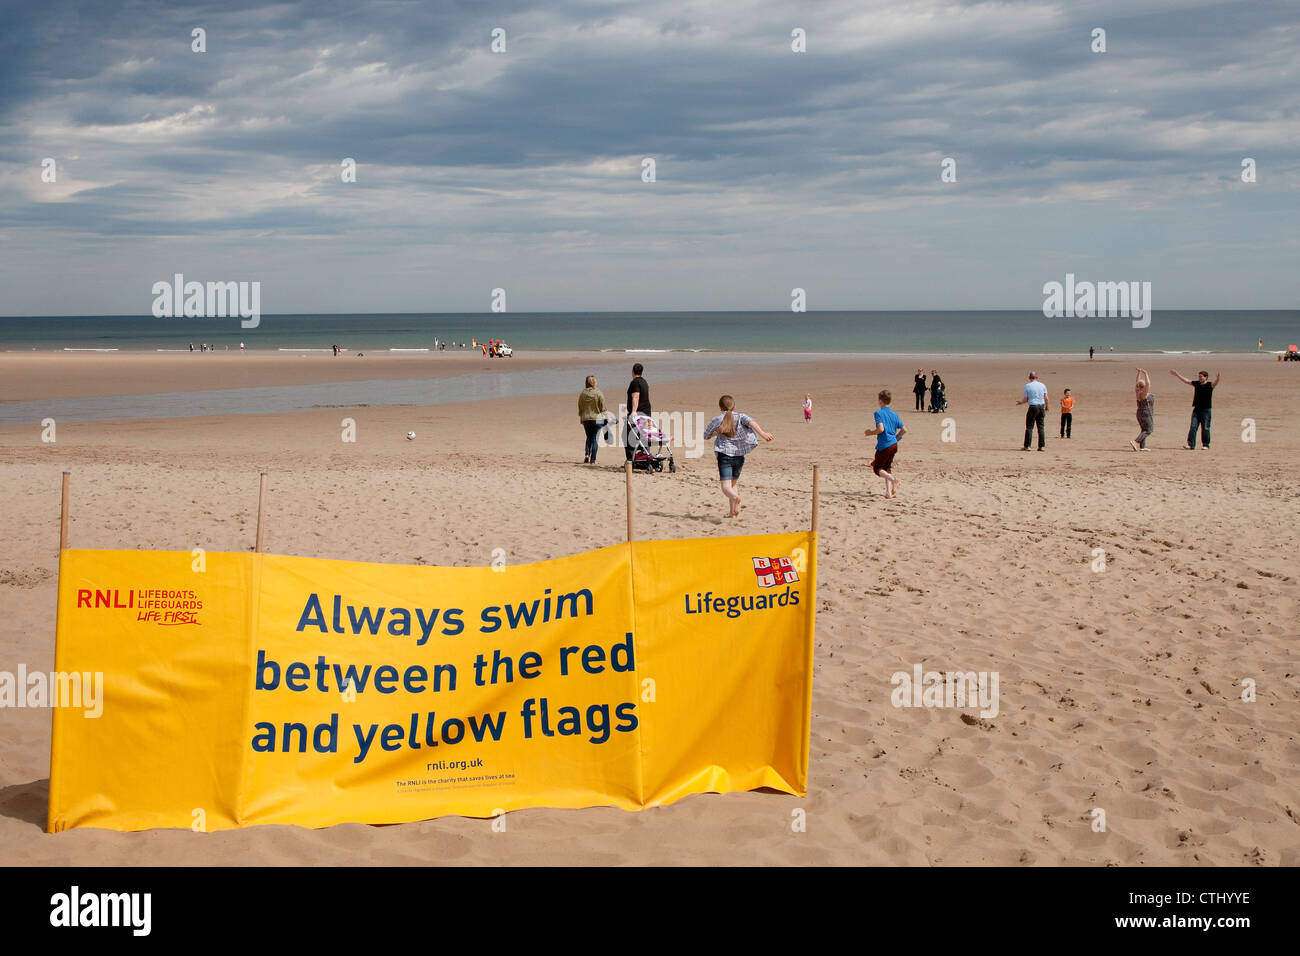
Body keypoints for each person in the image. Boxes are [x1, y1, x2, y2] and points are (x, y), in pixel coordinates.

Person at [704, 395, 773, 517]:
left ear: (720, 407)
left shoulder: (717, 419)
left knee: (726, 487)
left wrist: (716, 432)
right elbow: (752, 423)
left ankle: (735, 498)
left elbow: (706, 436)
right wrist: (763, 434)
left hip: (724, 455)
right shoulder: (741, 416)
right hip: (739, 456)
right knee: (733, 484)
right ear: (734, 406)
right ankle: (732, 513)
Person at [865, 389, 906, 497]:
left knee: (877, 468)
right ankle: (888, 492)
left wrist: (870, 433)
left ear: (880, 401)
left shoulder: (878, 413)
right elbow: (904, 430)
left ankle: (894, 479)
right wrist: (895, 438)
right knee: (886, 468)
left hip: (884, 445)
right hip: (894, 445)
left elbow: (880, 429)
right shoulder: (894, 414)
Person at [1171, 368, 1219, 449]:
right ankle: (1191, 445)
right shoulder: (1197, 384)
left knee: (1206, 428)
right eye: (1199, 376)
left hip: (1206, 410)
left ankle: (1206, 445)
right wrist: (1177, 375)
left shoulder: (1209, 385)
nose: (1199, 378)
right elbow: (1186, 381)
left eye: (1201, 377)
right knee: (1193, 427)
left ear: (1206, 377)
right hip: (1197, 409)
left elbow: (1215, 383)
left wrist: (1218, 378)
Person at [577, 375, 608, 464]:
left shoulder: (582, 393)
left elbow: (580, 406)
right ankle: (593, 460)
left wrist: (581, 417)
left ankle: (587, 455)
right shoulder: (598, 393)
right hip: (596, 419)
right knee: (594, 438)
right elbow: (603, 407)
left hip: (586, 418)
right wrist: (607, 417)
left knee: (589, 437)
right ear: (594, 383)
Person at [1016, 371, 1049, 451]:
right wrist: (1047, 406)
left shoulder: (1028, 386)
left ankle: (1027, 446)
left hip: (1033, 406)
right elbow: (1046, 398)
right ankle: (1041, 446)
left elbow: (1026, 399)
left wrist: (1020, 403)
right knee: (1041, 427)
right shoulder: (1042, 385)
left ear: (1029, 378)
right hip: (1041, 406)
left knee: (1029, 427)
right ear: (1037, 378)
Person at [625, 363, 651, 462]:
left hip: (638, 413)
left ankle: (630, 460)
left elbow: (635, 397)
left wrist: (633, 412)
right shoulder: (644, 382)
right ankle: (644, 455)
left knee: (628, 436)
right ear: (641, 372)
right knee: (643, 435)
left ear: (632, 371)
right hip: (647, 412)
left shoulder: (635, 382)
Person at [1131, 369, 1154, 450]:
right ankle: (1136, 441)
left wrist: (1139, 373)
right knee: (1149, 430)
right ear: (1143, 386)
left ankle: (1142, 446)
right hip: (1145, 413)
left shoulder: (1137, 392)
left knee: (1144, 429)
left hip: (1139, 413)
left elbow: (1137, 382)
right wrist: (1146, 373)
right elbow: (1148, 384)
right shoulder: (1143, 394)